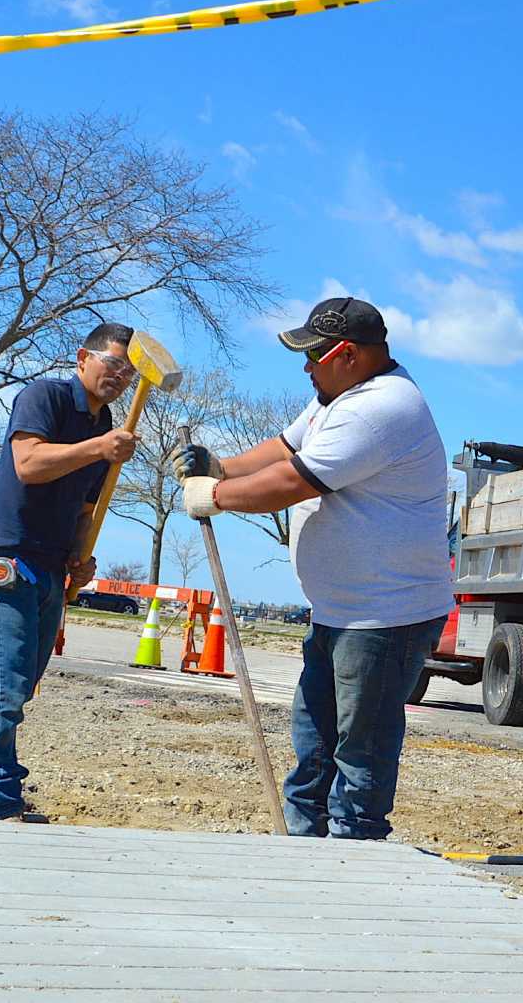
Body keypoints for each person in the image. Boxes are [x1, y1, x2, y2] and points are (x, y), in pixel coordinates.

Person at [170, 297, 450, 840]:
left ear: (348, 355)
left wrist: (215, 495)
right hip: (342, 610)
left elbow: (291, 482)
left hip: (385, 616)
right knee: (315, 741)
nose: (305, 366)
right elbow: (283, 449)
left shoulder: (380, 408)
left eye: (313, 355)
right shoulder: (336, 397)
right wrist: (221, 467)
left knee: (360, 749)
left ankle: (353, 849)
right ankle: (304, 844)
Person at [0, 324, 139, 821]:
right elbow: (29, 463)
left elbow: (85, 509)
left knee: (20, 687)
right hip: (7, 559)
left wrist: (81, 558)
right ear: (83, 358)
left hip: (50, 566)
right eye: (113, 363)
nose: (120, 376)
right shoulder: (46, 397)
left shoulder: (106, 430)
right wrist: (99, 447)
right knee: (3, 688)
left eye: (129, 371)